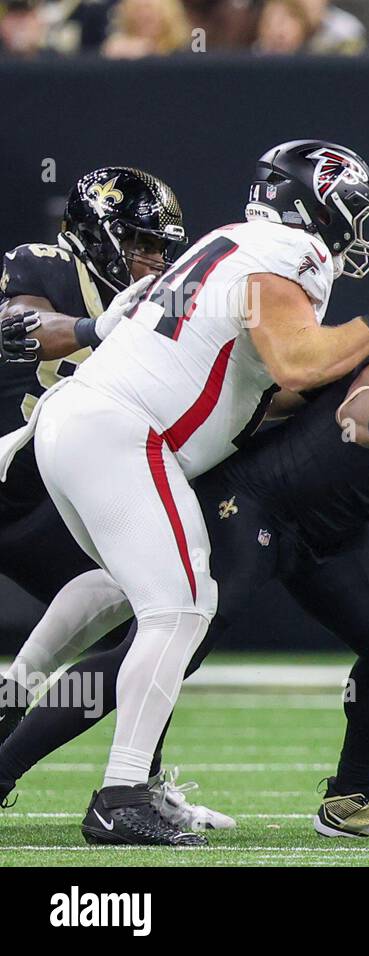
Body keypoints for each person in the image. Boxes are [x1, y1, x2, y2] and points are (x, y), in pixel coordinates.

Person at [0, 224, 369, 839]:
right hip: (255, 510)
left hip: (336, 524)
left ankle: (352, 798)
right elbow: (366, 400)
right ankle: (11, 764)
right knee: (168, 635)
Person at [0, 139, 369, 847]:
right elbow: (298, 358)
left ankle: (13, 693)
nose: (356, 230)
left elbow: (274, 381)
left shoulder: (229, 242)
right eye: (352, 211)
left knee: (119, 585)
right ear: (318, 203)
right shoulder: (287, 254)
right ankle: (122, 794)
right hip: (122, 433)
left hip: (82, 427)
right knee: (183, 605)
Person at [0, 167, 229, 829]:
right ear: (96, 233)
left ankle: (125, 777)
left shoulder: (158, 297)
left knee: (156, 615)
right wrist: (92, 330)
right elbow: (19, 322)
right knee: (168, 610)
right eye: (140, 241)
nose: (154, 259)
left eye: (162, 247)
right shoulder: (42, 262)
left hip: (50, 494)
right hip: (19, 472)